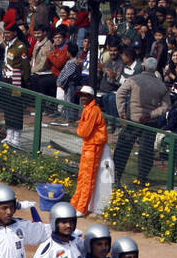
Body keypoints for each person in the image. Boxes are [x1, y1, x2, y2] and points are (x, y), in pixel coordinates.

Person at [113, 57, 170, 187]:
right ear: (155, 69)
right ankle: (142, 179)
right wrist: (151, 114)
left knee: (123, 149)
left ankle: (116, 175)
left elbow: (120, 94)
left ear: (143, 67)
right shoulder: (161, 85)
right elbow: (166, 106)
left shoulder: (134, 79)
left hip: (132, 120)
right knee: (146, 152)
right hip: (150, 122)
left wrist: (122, 112)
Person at [70, 86, 109, 215]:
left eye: (85, 95)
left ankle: (82, 208)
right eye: (81, 95)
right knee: (82, 177)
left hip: (94, 146)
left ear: (91, 97)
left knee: (88, 178)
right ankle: (75, 204)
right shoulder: (88, 109)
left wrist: (79, 127)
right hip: (89, 145)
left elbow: (84, 131)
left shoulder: (93, 110)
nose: (82, 98)